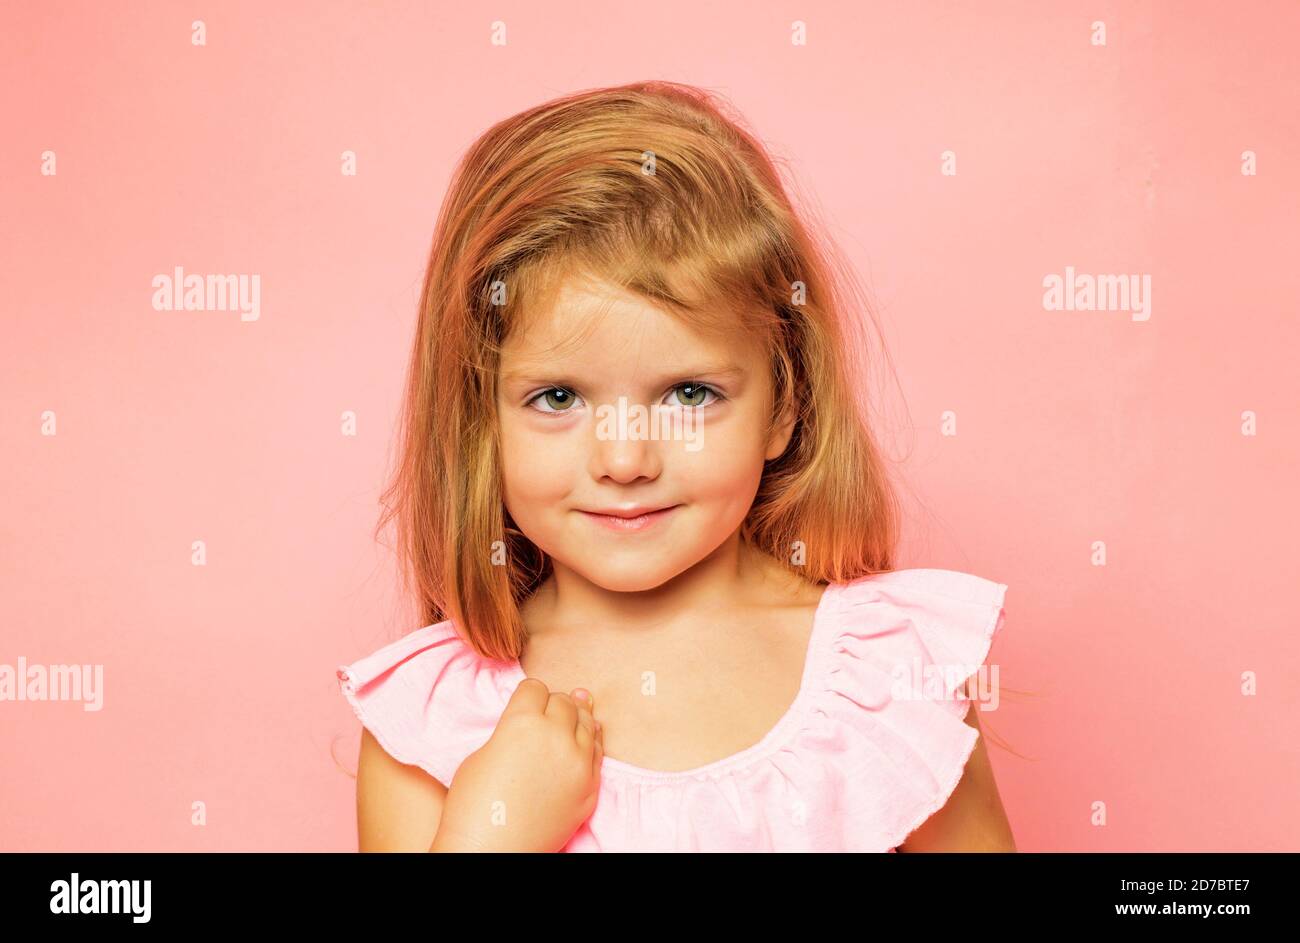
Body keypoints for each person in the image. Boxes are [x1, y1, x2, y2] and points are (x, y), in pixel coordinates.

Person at [336, 80, 1016, 852]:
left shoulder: (891, 674)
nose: (625, 459)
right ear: (481, 420)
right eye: (557, 396)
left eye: (689, 393)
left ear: (784, 403)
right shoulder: (431, 719)